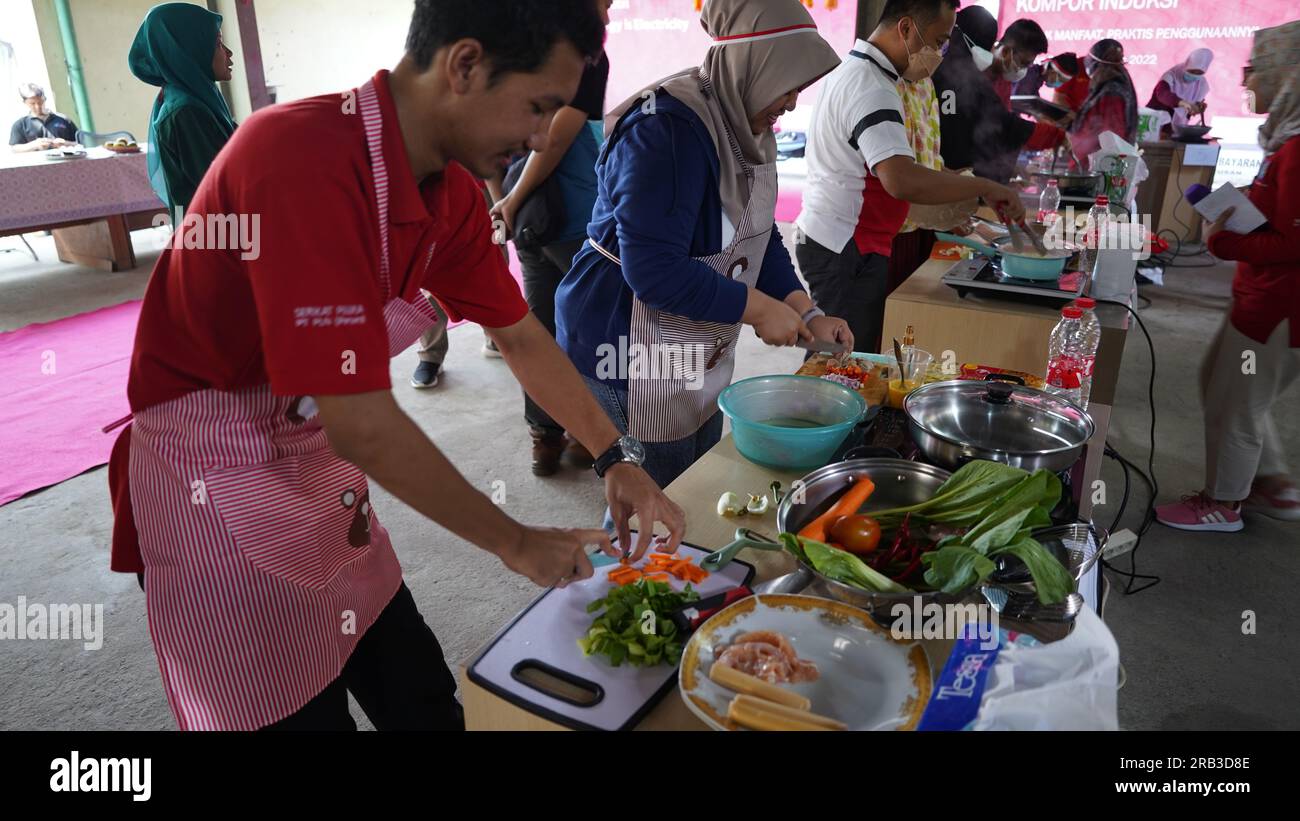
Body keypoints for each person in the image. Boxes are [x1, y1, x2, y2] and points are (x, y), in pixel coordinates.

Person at [106, 0, 683, 731]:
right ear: (464, 64)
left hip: (315, 462)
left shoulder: (451, 196)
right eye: (538, 108)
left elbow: (522, 338)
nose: (543, 137)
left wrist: (614, 456)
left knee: (422, 702)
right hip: (215, 480)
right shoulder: (294, 158)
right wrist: (516, 540)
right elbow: (363, 424)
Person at [554, 0, 851, 490]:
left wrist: (805, 308)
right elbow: (654, 272)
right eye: (788, 83)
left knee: (694, 479)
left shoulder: (748, 120)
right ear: (754, 65)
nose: (793, 101)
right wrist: (757, 309)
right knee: (654, 495)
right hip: (627, 342)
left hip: (694, 342)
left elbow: (757, 235)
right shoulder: (666, 130)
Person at [797, 0, 1026, 354]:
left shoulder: (865, 74)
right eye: (937, 42)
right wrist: (984, 186)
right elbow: (900, 179)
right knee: (837, 362)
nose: (939, 54)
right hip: (845, 245)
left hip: (852, 240)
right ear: (905, 28)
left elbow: (904, 169)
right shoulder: (871, 86)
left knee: (848, 356)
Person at [1156, 20, 1300, 531]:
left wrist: (1222, 238)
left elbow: (1293, 241)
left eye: (1254, 70)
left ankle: (1224, 504)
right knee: (1225, 387)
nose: (1247, 83)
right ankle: (1271, 485)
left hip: (1279, 306)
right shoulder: (1287, 141)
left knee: (1235, 401)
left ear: (1288, 74)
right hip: (1262, 299)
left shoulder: (1299, 149)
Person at [489, 0, 613, 475]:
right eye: (602, 4)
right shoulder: (587, 54)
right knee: (592, 325)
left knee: (538, 326)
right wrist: (513, 199)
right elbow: (559, 138)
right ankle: (588, 435)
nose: (606, 17)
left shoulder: (518, 44)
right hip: (572, 217)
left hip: (529, 221)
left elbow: (496, 143)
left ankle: (545, 437)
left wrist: (503, 199)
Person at [128, 2, 238, 215]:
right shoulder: (185, 111)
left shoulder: (200, 96)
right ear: (190, 49)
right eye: (217, 44)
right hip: (213, 233)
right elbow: (216, 183)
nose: (229, 53)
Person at [933, 9, 1050, 184]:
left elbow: (988, 132)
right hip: (945, 176)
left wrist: (1007, 171)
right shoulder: (945, 72)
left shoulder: (993, 82)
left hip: (962, 177)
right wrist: (1053, 135)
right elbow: (996, 123)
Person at [1066, 39, 1139, 169]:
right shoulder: (1110, 87)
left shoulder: (1111, 92)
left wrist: (1073, 141)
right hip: (1090, 164)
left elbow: (1110, 136)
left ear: (1095, 64)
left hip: (1095, 169)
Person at [1147, 47, 1214, 134]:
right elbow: (1162, 94)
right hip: (1154, 124)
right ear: (1186, 66)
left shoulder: (1201, 83)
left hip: (1176, 130)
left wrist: (1196, 108)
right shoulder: (1171, 75)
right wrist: (1182, 103)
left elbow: (1190, 109)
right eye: (1192, 71)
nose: (1194, 75)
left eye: (1199, 73)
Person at [8, 82, 77, 152]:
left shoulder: (63, 119)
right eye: (32, 104)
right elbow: (14, 149)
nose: (37, 107)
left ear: (45, 99)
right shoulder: (20, 125)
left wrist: (66, 143)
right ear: (25, 103)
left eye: (40, 102)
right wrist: (34, 145)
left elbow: (81, 143)